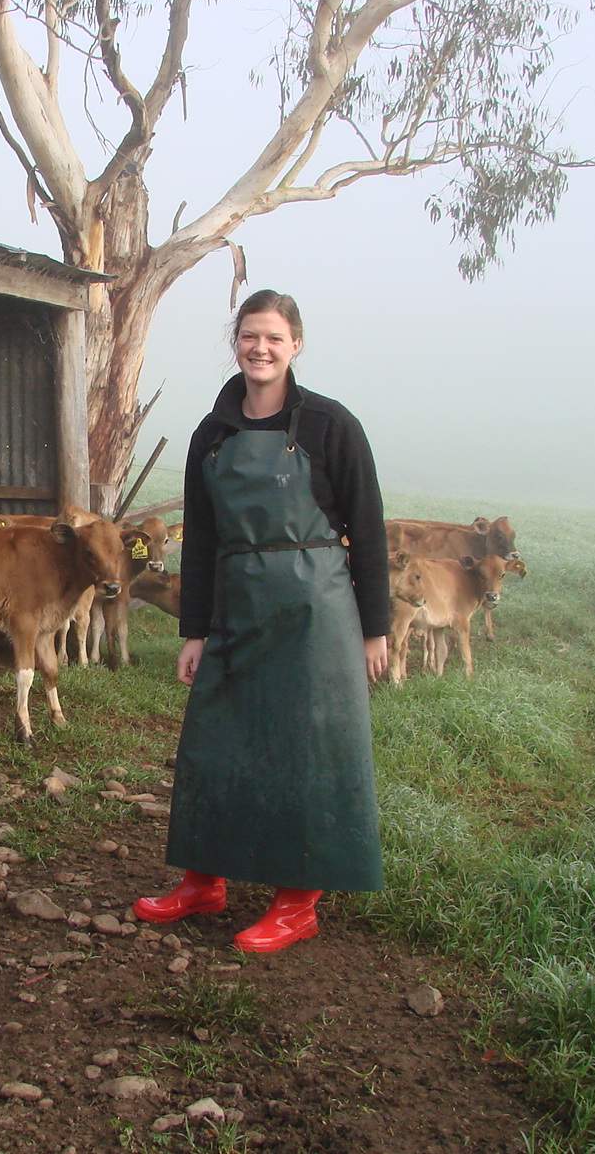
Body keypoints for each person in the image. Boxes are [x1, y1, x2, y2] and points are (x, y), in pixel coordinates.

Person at [133, 289, 390, 954]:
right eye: (250, 335)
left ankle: (297, 902)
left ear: (295, 344)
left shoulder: (331, 426)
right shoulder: (212, 435)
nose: (261, 348)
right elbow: (201, 540)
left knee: (307, 747)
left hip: (317, 612)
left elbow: (367, 528)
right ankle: (203, 881)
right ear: (236, 342)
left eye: (274, 337)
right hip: (236, 604)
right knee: (215, 740)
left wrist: (375, 629)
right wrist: (194, 631)